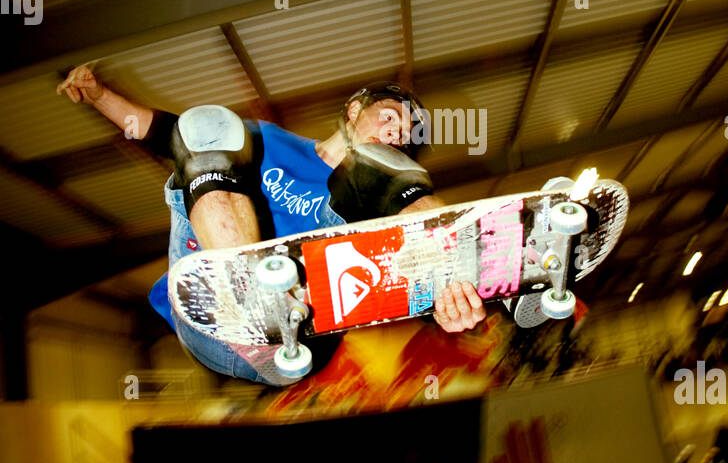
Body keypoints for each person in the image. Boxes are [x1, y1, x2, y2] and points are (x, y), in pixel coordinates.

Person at [57, 65, 486, 384]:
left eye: (407, 135)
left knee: (381, 173)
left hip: (296, 341)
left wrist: (446, 302)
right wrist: (98, 96)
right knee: (209, 126)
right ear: (355, 110)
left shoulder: (374, 193)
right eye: (391, 117)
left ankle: (459, 264)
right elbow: (167, 131)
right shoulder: (265, 138)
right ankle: (247, 286)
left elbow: (401, 253)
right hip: (211, 313)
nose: (398, 134)